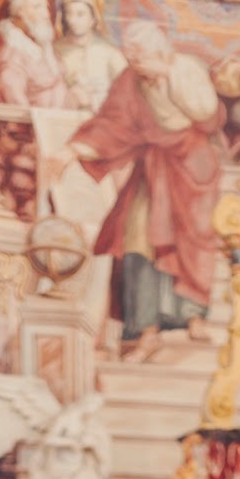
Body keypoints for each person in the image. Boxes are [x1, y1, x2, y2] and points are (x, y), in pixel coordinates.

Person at [50, 21, 223, 363]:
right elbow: (111, 124)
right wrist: (72, 150)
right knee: (137, 238)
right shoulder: (131, 81)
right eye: (131, 57)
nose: (136, 65)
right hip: (154, 168)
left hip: (193, 167)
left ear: (158, 52)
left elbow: (207, 114)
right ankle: (145, 331)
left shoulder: (184, 69)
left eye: (140, 57)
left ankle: (194, 315)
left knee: (192, 238)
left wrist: (168, 76)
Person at [0, 0, 75, 108]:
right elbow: (17, 106)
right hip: (37, 125)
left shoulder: (43, 46)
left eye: (46, 7)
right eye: (37, 7)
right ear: (20, 11)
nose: (46, 14)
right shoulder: (12, 55)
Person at [56, 0, 125, 113]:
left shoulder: (110, 52)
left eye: (80, 14)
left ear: (93, 19)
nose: (73, 20)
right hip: (66, 112)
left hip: (104, 115)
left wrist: (94, 100)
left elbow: (126, 88)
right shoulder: (56, 49)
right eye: (69, 14)